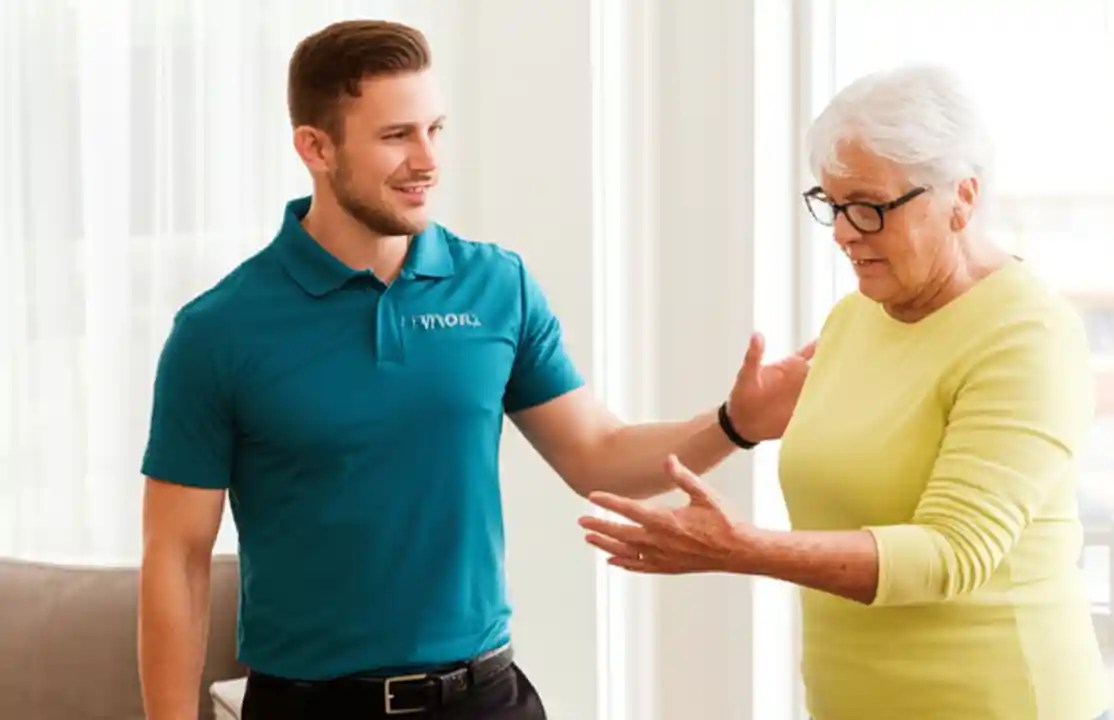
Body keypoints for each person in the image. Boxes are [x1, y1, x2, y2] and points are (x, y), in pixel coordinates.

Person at [136, 19, 812, 720]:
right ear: (316, 147)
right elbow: (177, 559)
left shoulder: (496, 286)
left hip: (484, 698)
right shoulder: (219, 330)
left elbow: (598, 454)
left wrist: (733, 425)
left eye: (436, 129)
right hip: (308, 706)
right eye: (397, 135)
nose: (427, 159)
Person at [580, 64, 1111, 720]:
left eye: (869, 207)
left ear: (962, 198)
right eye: (831, 204)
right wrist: (741, 422)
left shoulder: (1026, 334)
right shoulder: (856, 316)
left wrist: (743, 547)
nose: (842, 232)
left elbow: (952, 552)